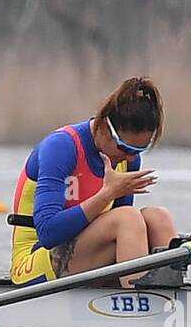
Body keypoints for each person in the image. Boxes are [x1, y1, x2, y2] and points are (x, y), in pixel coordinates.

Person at [10, 77, 176, 286]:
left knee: (158, 217)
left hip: (83, 257)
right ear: (105, 128)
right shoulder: (62, 147)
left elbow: (119, 238)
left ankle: (169, 296)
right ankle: (139, 304)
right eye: (125, 148)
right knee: (127, 219)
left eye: (138, 151)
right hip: (34, 261)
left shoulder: (127, 160)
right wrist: (107, 194)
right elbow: (48, 233)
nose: (131, 157)